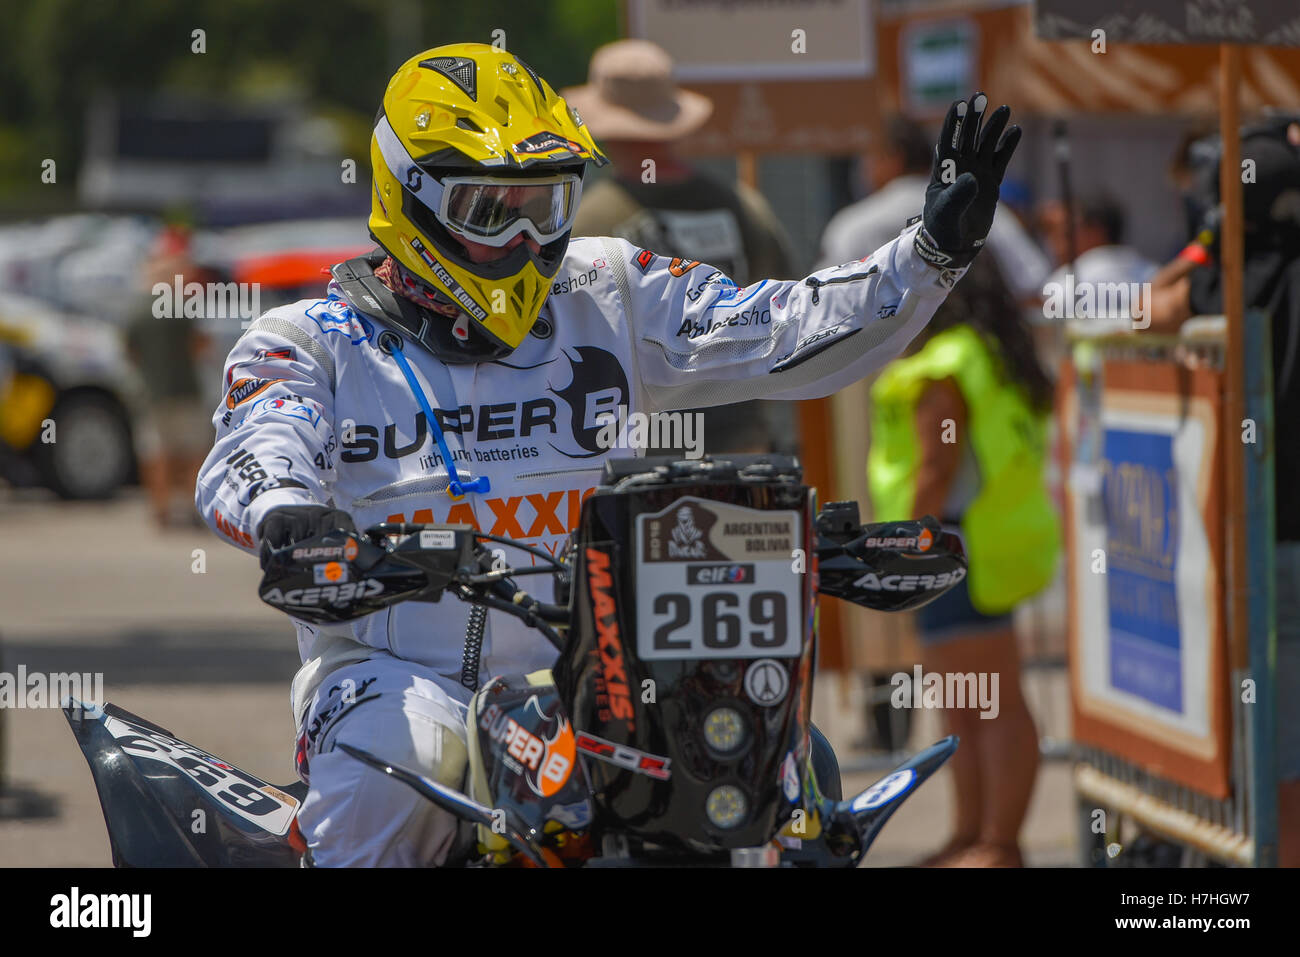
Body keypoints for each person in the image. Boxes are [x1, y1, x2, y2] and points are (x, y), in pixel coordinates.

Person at [195, 42, 1021, 866]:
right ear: (408, 200)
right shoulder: (310, 339)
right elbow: (254, 450)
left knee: (787, 774)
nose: (525, 238)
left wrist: (929, 255)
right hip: (402, 675)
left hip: (603, 680)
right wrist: (289, 521)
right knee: (392, 772)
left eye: (546, 207)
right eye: (491, 210)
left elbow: (782, 327)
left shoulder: (607, 289)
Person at [868, 253, 1060, 868]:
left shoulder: (947, 363)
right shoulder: (984, 354)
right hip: (970, 544)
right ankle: (973, 834)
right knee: (967, 698)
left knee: (989, 699)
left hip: (947, 547)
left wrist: (905, 555)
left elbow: (935, 466)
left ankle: (997, 842)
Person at [1146, 115, 1300, 867]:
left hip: (1270, 548)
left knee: (1278, 772)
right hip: (1271, 549)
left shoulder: (1227, 278)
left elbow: (1150, 304)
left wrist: (1207, 240)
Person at [562, 39, 798, 455]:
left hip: (640, 449)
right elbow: (790, 307)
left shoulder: (587, 225)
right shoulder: (743, 207)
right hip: (741, 438)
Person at [126, 221, 211, 527]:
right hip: (186, 390)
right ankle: (191, 507)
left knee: (156, 452)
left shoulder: (136, 311)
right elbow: (200, 346)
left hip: (151, 393)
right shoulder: (181, 308)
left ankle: (160, 509)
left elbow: (129, 353)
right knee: (193, 451)